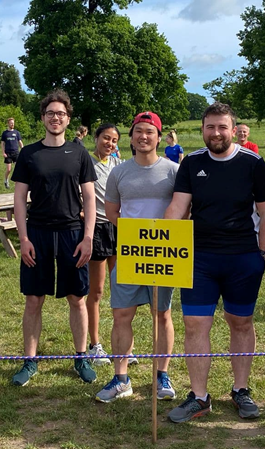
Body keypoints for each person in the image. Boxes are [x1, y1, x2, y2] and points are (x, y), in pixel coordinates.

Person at [164, 102, 265, 423]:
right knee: (195, 324)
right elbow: (177, 208)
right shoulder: (192, 163)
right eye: (210, 127)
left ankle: (241, 390)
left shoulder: (253, 164)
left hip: (243, 258)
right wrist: (160, 246)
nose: (216, 133)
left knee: (240, 322)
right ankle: (199, 397)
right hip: (199, 259)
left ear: (233, 129)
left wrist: (262, 254)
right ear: (202, 130)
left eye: (222, 127)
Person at [9, 89, 98, 387]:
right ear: (43, 118)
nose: (55, 118)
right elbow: (19, 198)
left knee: (77, 298)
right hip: (38, 232)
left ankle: (81, 357)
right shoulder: (29, 153)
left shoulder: (79, 153)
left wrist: (88, 237)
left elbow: (89, 198)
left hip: (73, 232)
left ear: (68, 118)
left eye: (60, 113)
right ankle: (29, 361)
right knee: (34, 300)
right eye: (50, 113)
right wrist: (23, 238)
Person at [95, 112, 179, 403]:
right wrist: (138, 236)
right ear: (131, 137)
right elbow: (112, 212)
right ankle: (120, 378)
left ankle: (162, 375)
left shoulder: (173, 170)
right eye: (138, 132)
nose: (144, 137)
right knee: (121, 315)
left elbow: (183, 211)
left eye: (150, 132)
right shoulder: (119, 172)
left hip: (165, 256)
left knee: (162, 314)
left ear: (159, 136)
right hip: (129, 254)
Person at [85, 123, 122, 367]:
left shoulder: (120, 165)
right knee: (96, 291)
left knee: (121, 290)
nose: (109, 143)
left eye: (114, 140)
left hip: (119, 228)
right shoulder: (86, 163)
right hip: (97, 228)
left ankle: (122, 346)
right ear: (96, 137)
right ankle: (94, 345)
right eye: (105, 138)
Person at [1, 117, 24, 189]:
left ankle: (19, 182)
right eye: (11, 123)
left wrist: (23, 150)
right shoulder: (5, 133)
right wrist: (3, 152)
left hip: (16, 152)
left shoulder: (16, 133)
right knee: (9, 169)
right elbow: (2, 143)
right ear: (8, 124)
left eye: (13, 123)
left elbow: (20, 142)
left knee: (18, 168)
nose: (12, 124)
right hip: (8, 153)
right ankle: (6, 180)